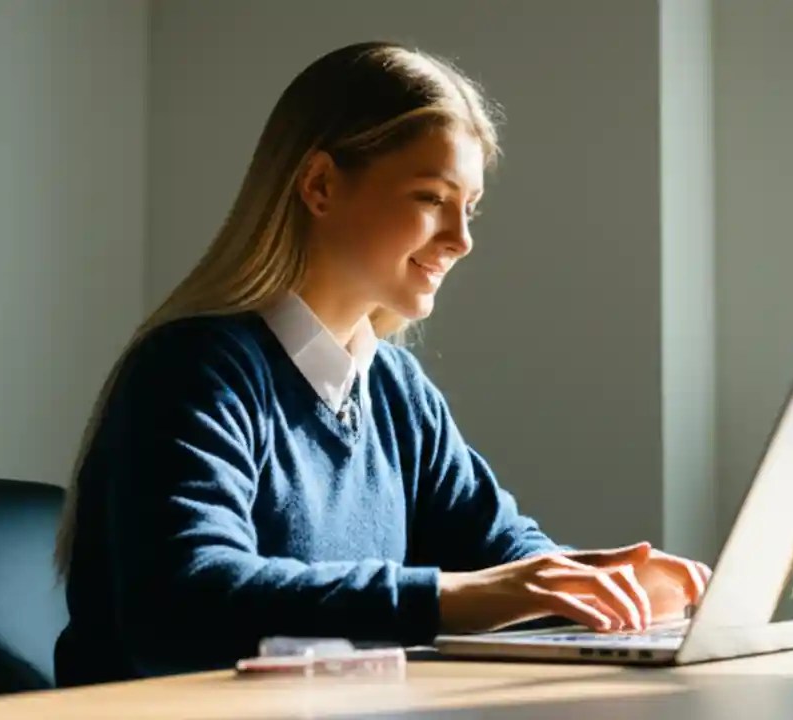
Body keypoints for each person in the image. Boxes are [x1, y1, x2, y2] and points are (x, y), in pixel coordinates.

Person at [53, 41, 710, 686]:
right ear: (319, 185)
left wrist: (598, 583)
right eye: (431, 198)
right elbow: (184, 602)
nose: (462, 239)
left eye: (470, 207)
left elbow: (499, 554)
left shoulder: (396, 390)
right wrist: (468, 595)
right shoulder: (195, 368)